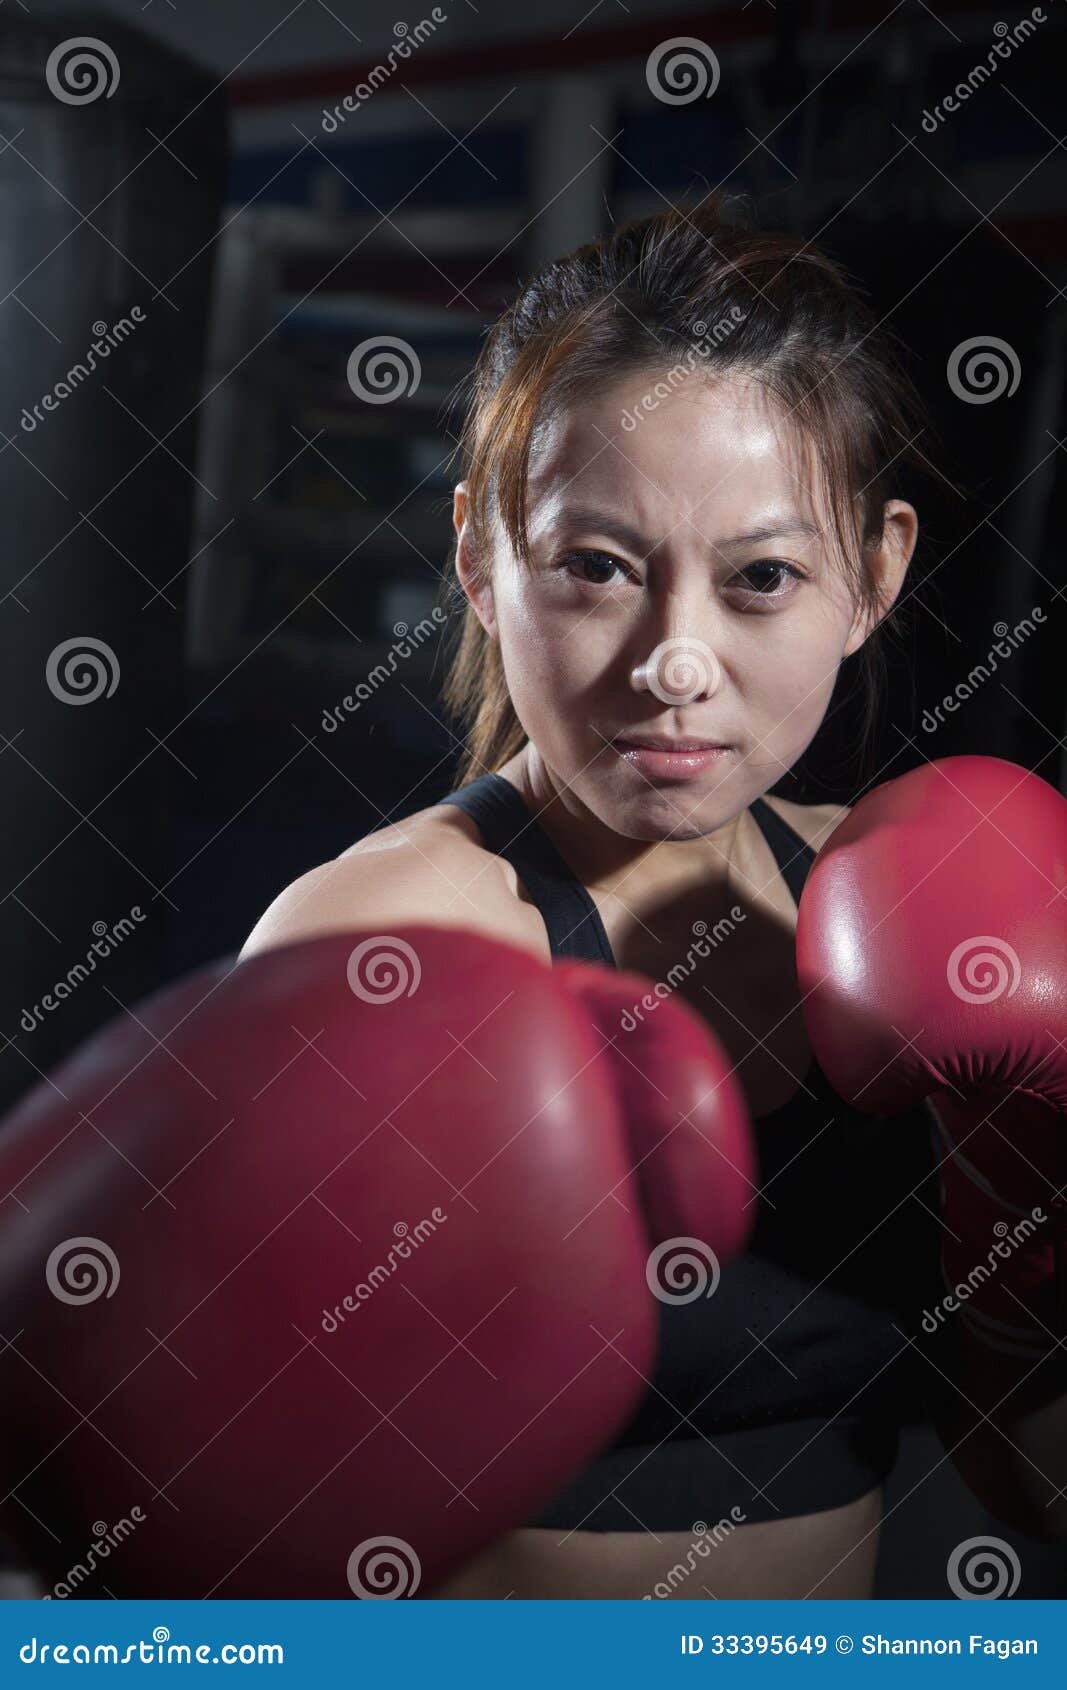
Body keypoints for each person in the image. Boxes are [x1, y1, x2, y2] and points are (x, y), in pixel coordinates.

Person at [239, 192, 945, 1599]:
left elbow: (1037, 1483)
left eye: (759, 577)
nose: (675, 663)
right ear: (480, 564)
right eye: (599, 567)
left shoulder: (928, 910)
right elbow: (217, 1521)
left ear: (874, 575)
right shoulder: (384, 944)